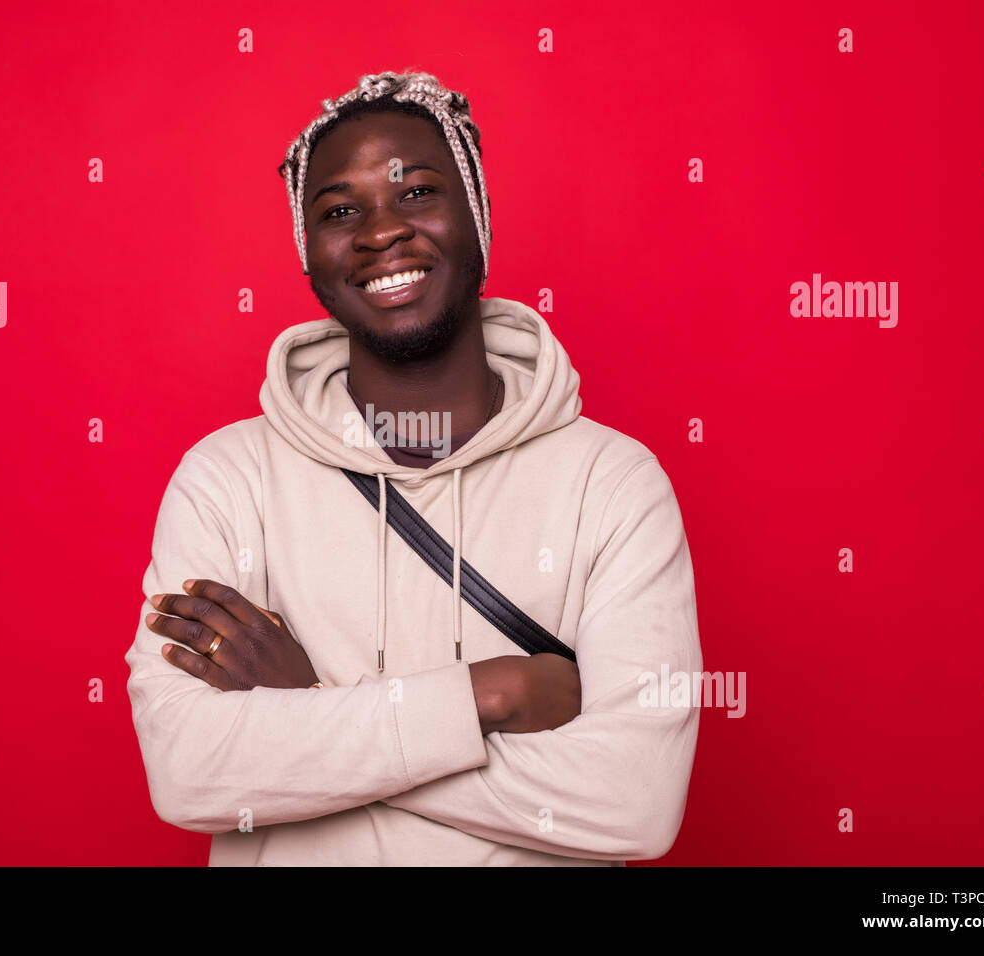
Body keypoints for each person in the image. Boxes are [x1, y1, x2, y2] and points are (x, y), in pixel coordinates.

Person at [124, 70, 703, 866]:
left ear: (479, 218)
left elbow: (633, 804)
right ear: (309, 258)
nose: (380, 232)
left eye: (418, 192)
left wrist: (313, 715)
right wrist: (486, 696)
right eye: (339, 211)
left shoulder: (613, 484)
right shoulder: (227, 479)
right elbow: (186, 772)